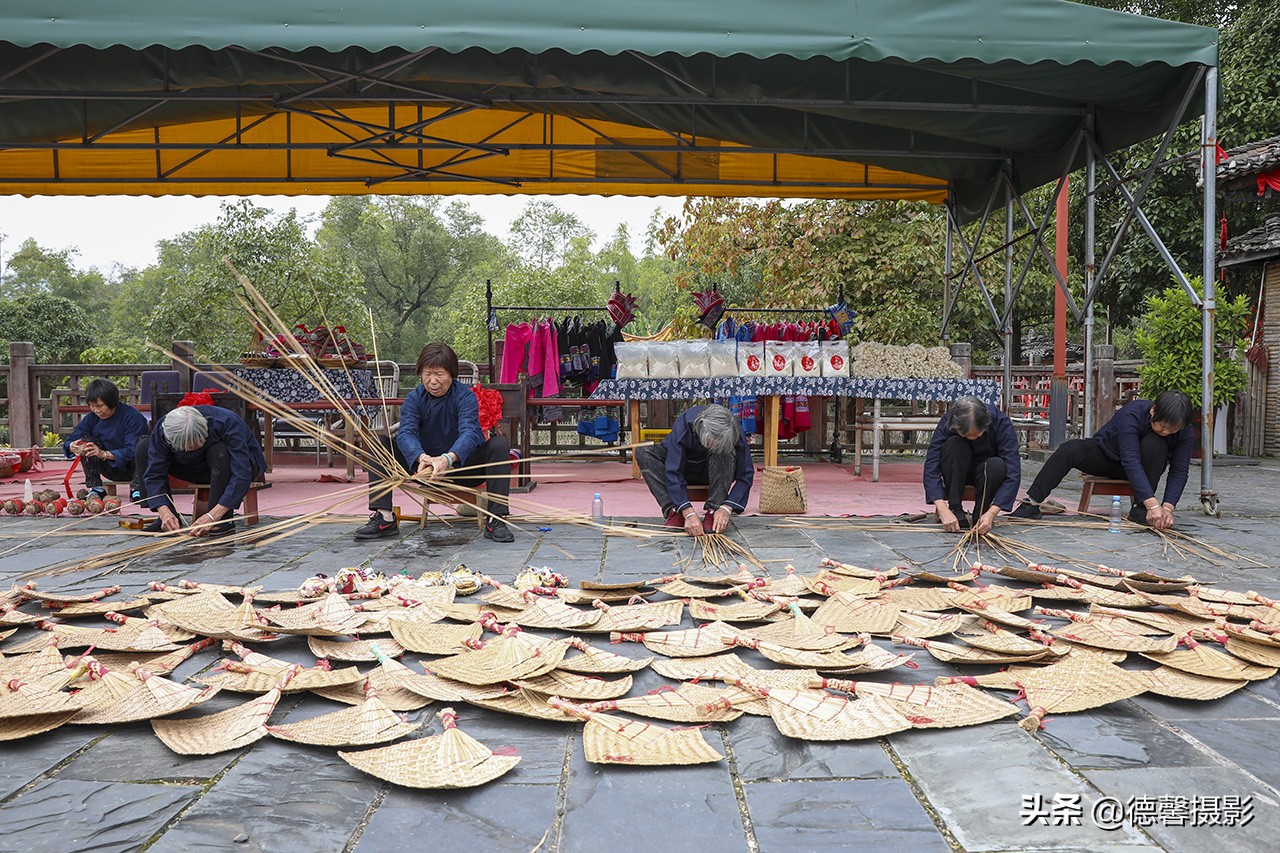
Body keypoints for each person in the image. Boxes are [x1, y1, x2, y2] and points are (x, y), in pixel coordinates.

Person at [354, 342, 514, 543]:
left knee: (499, 445)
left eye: (439, 374)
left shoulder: (464, 397)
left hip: (462, 470)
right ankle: (384, 517)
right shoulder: (414, 398)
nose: (433, 381)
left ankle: (496, 519)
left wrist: (447, 459)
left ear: (451, 374)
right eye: (427, 374)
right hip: (423, 470)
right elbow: (406, 433)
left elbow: (470, 432)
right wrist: (422, 457)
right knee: (378, 442)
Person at [1010, 389, 1194, 530]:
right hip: (1110, 458)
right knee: (1070, 448)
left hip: (1147, 467)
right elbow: (1130, 460)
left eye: (1172, 430)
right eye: (1162, 426)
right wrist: (1154, 504)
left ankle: (1140, 509)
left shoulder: (1184, 431)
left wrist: (1167, 508)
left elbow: (1179, 470)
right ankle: (1032, 502)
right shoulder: (1133, 414)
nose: (1166, 432)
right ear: (1153, 410)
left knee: (1156, 442)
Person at [135, 404, 267, 537]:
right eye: (188, 446)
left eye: (197, 443)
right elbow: (154, 474)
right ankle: (169, 518)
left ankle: (221, 520)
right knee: (144, 447)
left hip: (233, 466)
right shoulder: (164, 428)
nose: (194, 447)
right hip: (192, 467)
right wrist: (163, 509)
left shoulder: (226, 421)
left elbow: (241, 472)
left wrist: (213, 515)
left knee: (219, 449)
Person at [636, 404, 754, 537]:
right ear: (703, 431)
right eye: (713, 441)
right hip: (683, 468)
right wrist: (688, 512)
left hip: (714, 471)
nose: (716, 444)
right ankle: (675, 511)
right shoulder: (686, 423)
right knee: (643, 452)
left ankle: (713, 510)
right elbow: (673, 470)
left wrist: (726, 507)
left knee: (725, 452)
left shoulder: (732, 429)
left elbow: (746, 474)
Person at [922, 396, 1021, 534]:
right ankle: (955, 509)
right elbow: (932, 465)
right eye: (966, 435)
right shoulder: (950, 420)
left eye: (976, 434)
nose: (972, 438)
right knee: (954, 445)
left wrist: (992, 513)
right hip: (957, 470)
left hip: (986, 473)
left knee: (996, 464)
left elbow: (1013, 472)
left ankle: (981, 513)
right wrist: (942, 509)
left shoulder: (1000, 422)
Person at [63, 378, 150, 501]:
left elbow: (132, 450)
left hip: (133, 468)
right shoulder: (92, 418)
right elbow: (71, 440)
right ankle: (96, 488)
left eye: (100, 406)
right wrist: (73, 446)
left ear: (112, 403)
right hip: (108, 468)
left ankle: (137, 488)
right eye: (92, 406)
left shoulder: (132, 416)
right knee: (87, 441)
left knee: (144, 442)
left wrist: (104, 454)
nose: (96, 410)